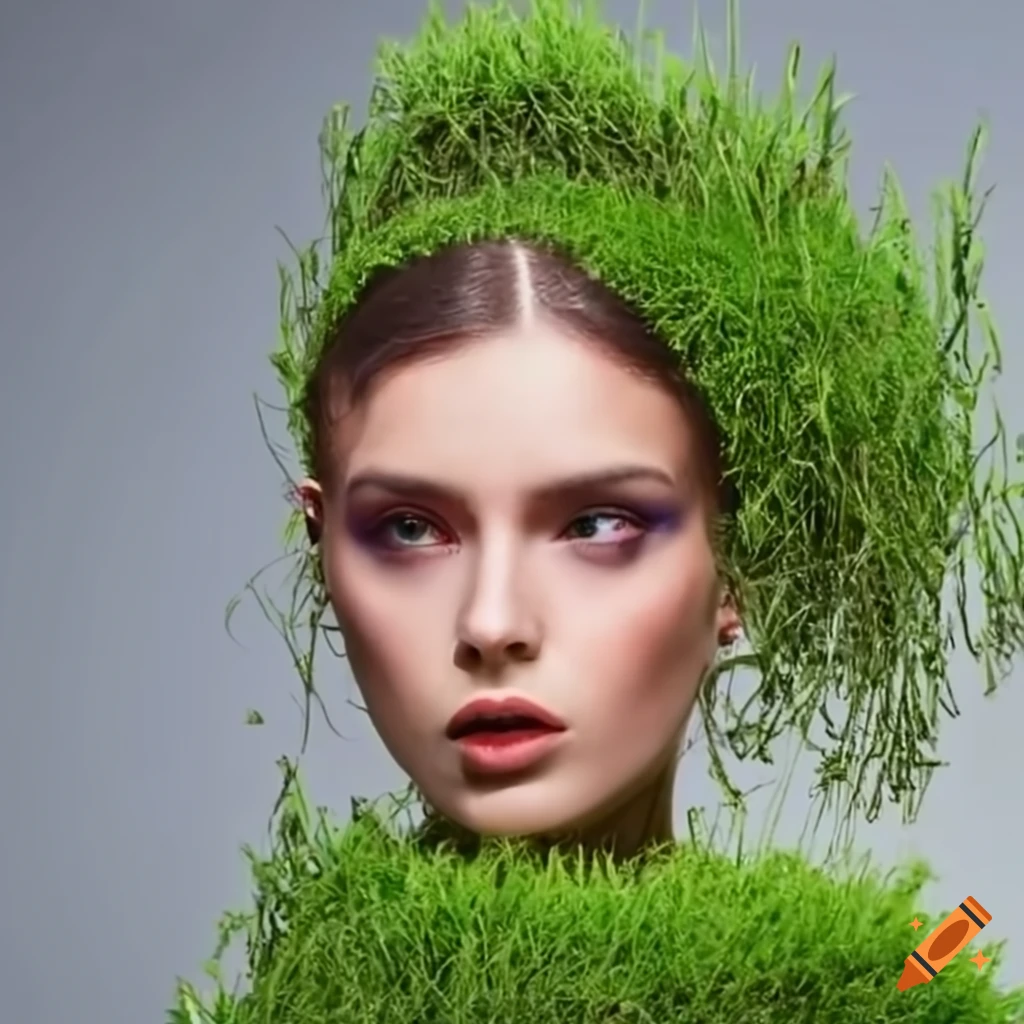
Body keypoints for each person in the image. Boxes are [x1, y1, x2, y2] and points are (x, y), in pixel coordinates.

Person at [174, 1, 1024, 1019]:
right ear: (321, 544)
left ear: (741, 556)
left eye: (595, 525)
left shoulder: (876, 991)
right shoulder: (302, 989)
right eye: (410, 528)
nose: (492, 623)